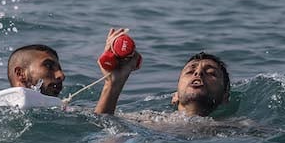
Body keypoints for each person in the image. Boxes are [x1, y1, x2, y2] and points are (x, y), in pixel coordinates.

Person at [93, 32, 231, 119]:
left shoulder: (233, 128)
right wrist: (112, 85)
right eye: (190, 71)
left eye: (211, 73)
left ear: (225, 97)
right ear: (175, 96)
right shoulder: (147, 120)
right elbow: (102, 124)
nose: (198, 73)